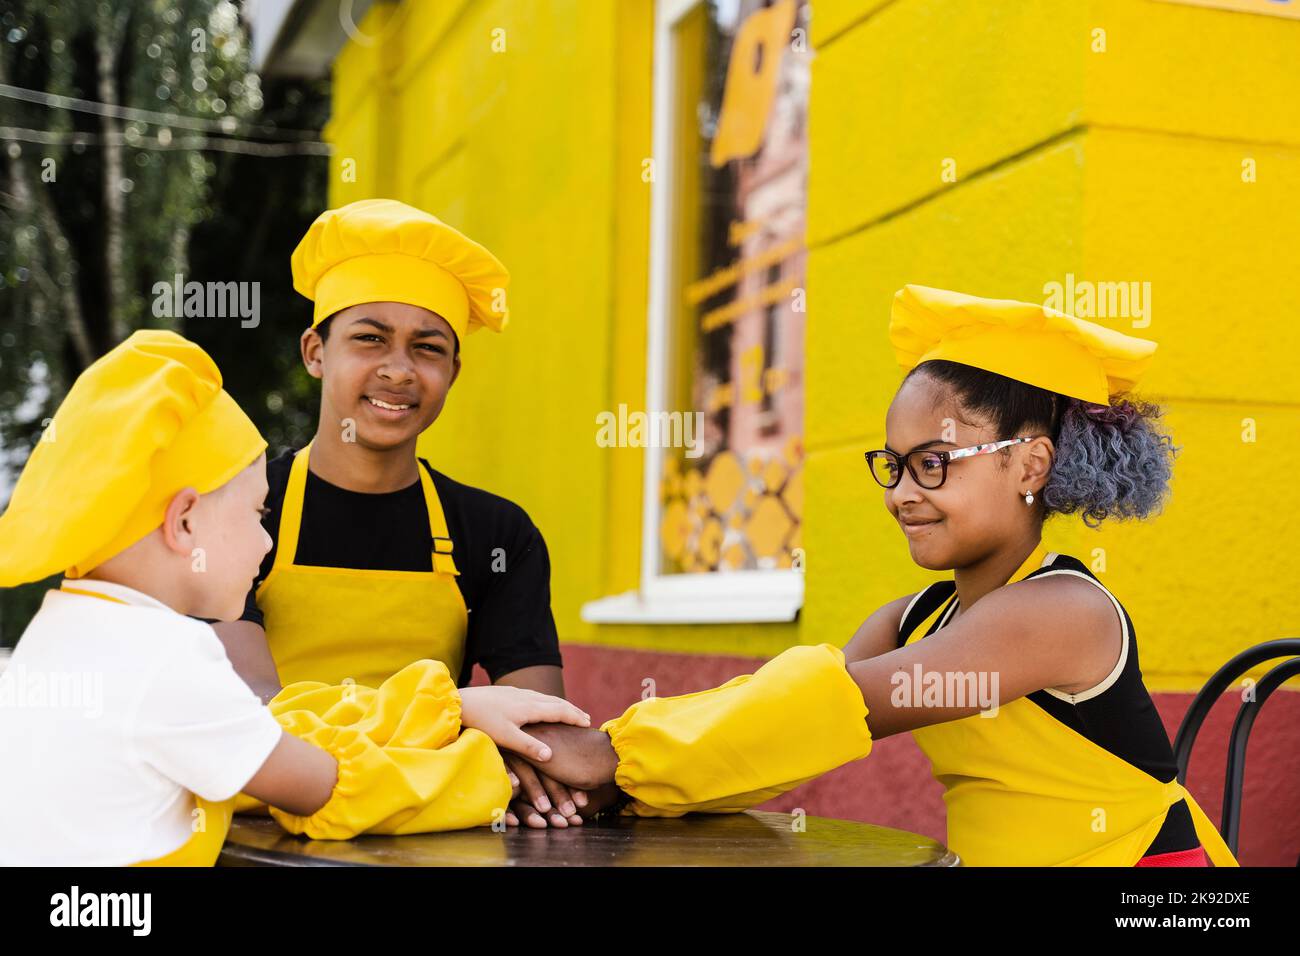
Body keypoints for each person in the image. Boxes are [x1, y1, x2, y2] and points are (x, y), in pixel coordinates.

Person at [503, 286, 1240, 867]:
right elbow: (786, 719)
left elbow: (845, 702)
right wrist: (620, 789)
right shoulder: (914, 618)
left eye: (934, 463)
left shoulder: (1060, 612)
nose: (900, 493)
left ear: (1030, 465)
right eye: (894, 465)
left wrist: (615, 754)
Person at [0, 331, 588, 864]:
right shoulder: (169, 660)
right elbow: (330, 787)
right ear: (183, 525)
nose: (264, 541)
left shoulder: (58, 632)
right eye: (258, 515)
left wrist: (452, 708)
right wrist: (493, 774)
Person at [212, 198, 586, 829]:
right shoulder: (242, 515)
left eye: (428, 347)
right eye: (369, 338)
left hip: (425, 827)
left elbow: (540, 734)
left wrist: (524, 761)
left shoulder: (497, 534)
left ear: (452, 371)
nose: (398, 370)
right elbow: (255, 712)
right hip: (266, 831)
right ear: (314, 351)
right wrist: (460, 713)